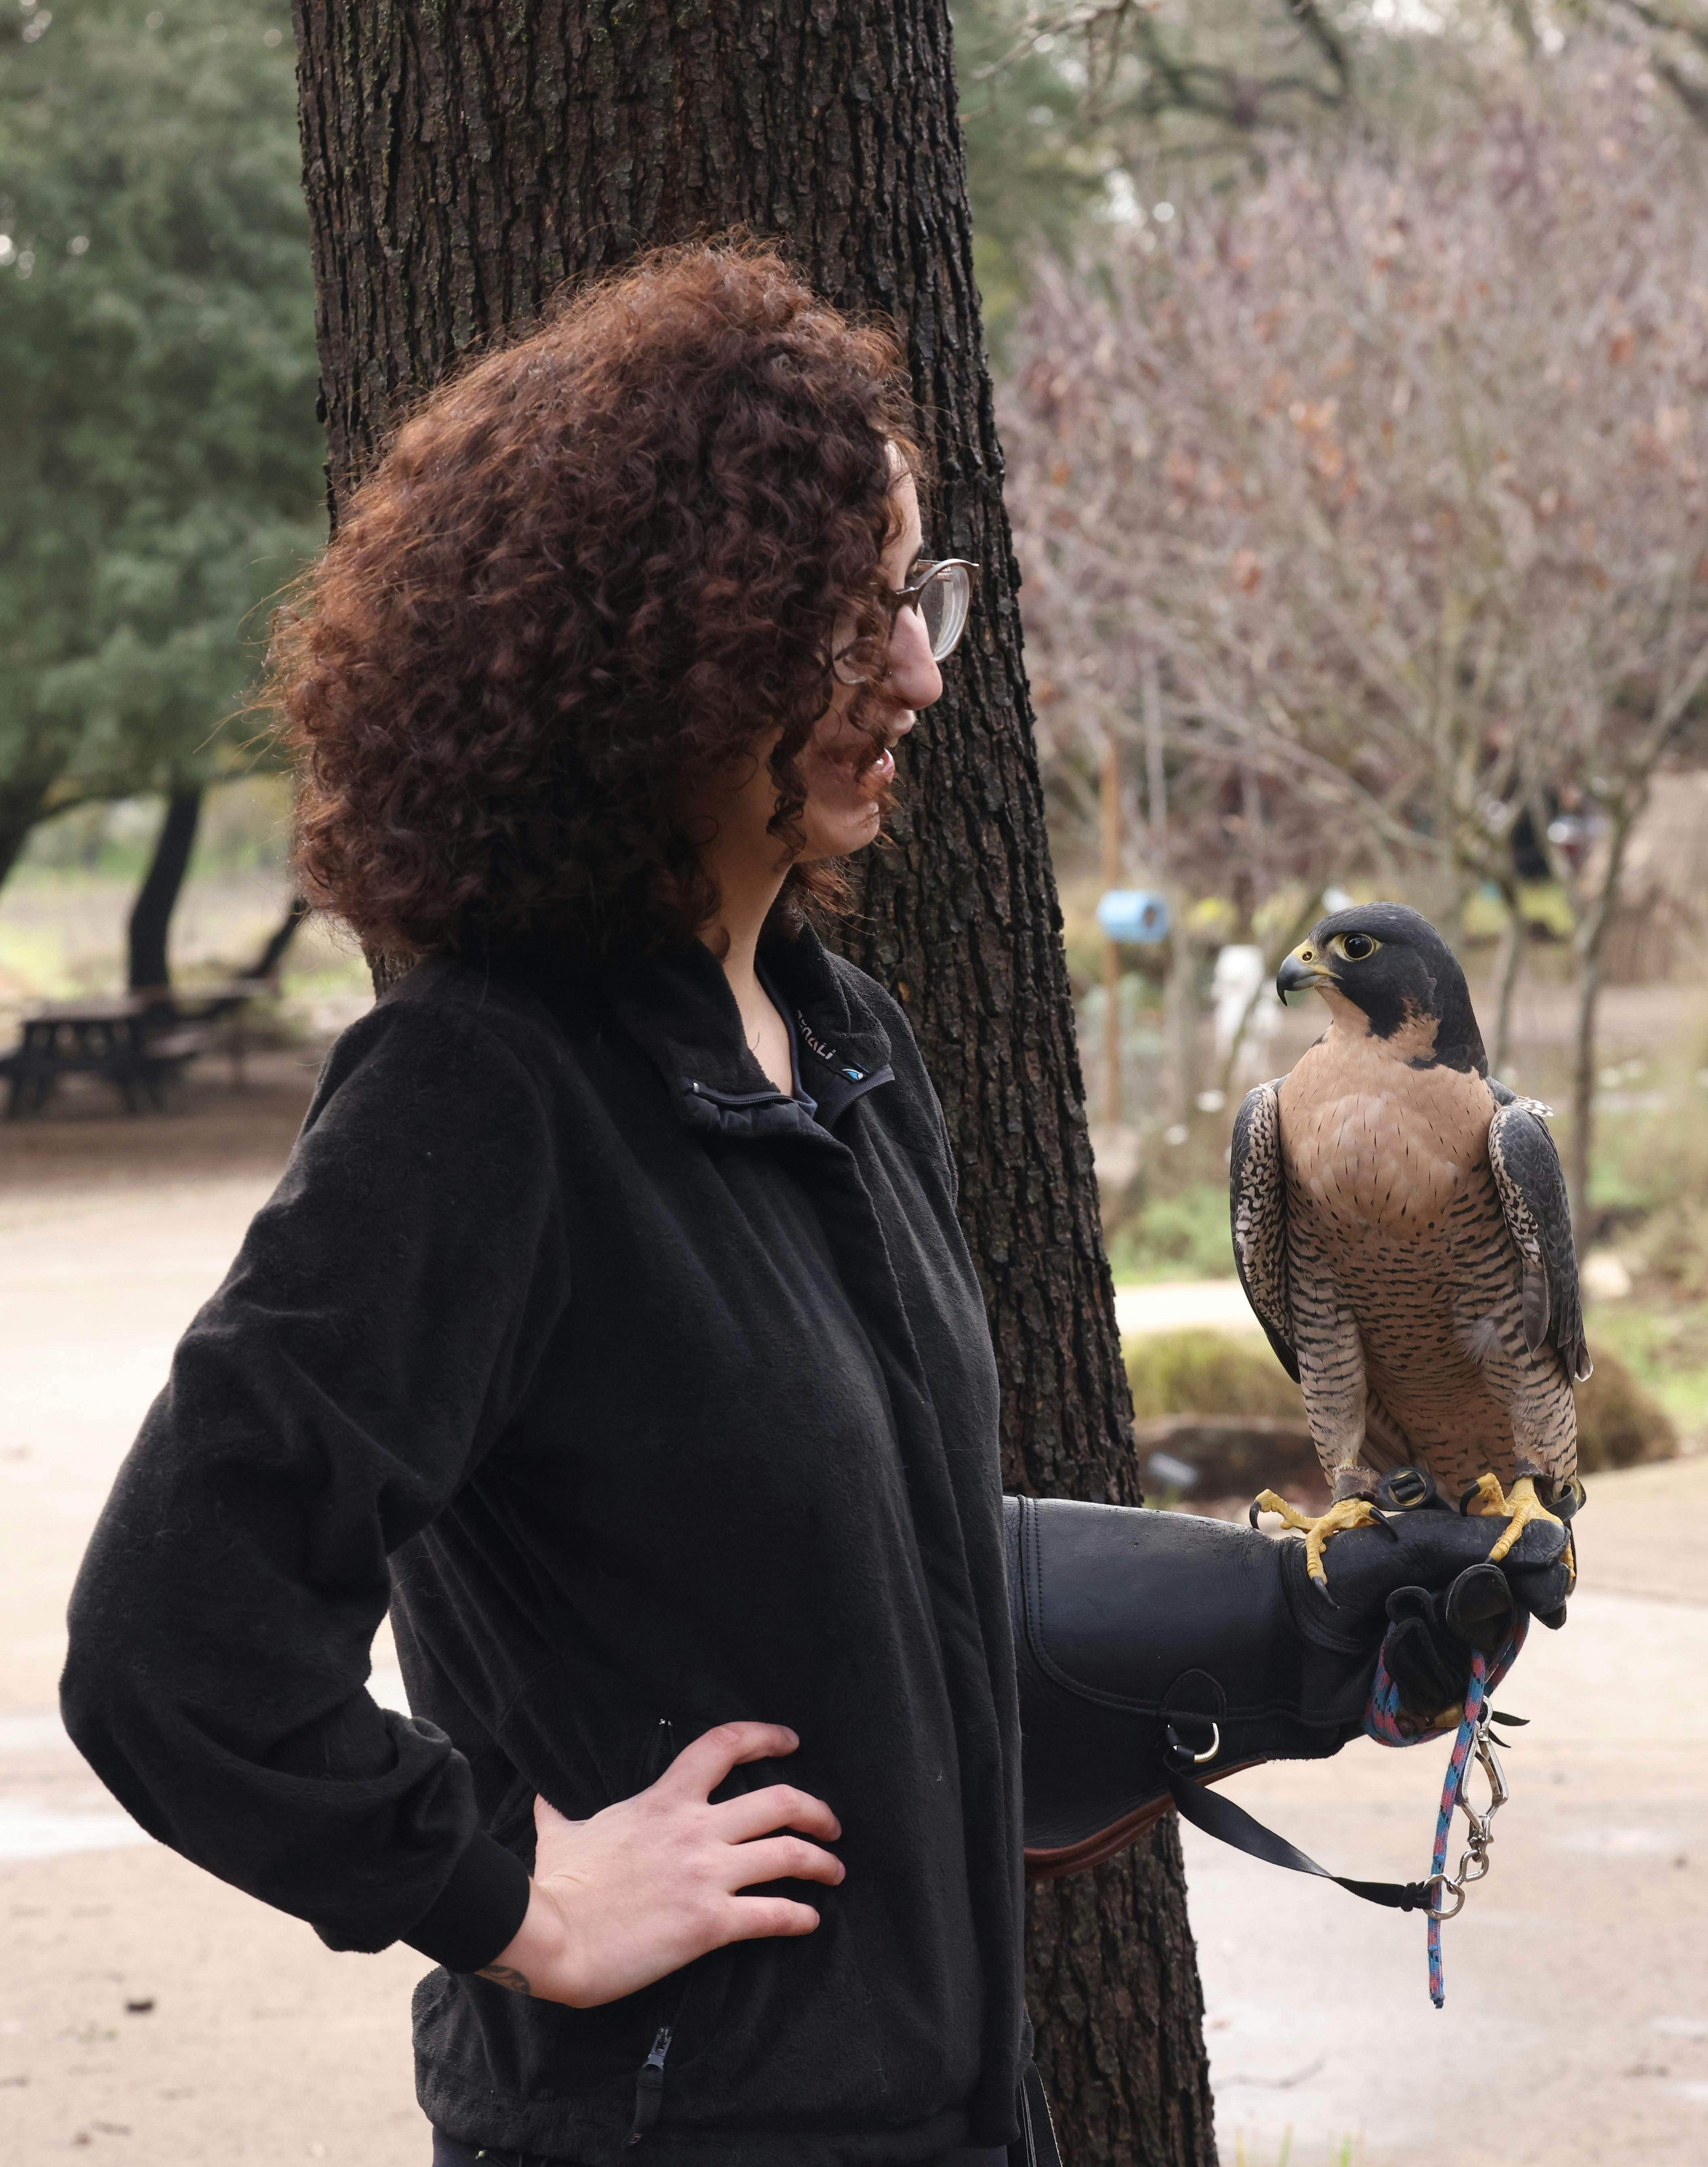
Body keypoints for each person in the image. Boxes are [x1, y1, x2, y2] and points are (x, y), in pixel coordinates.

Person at [60, 240, 1570, 2167]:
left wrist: (1299, 1636)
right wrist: (513, 1890)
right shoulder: (483, 1091)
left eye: (916, 600)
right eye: (852, 620)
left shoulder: (844, 1044)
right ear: (676, 637)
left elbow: (876, 1567)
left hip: (958, 2120)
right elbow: (170, 1644)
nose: (925, 672)